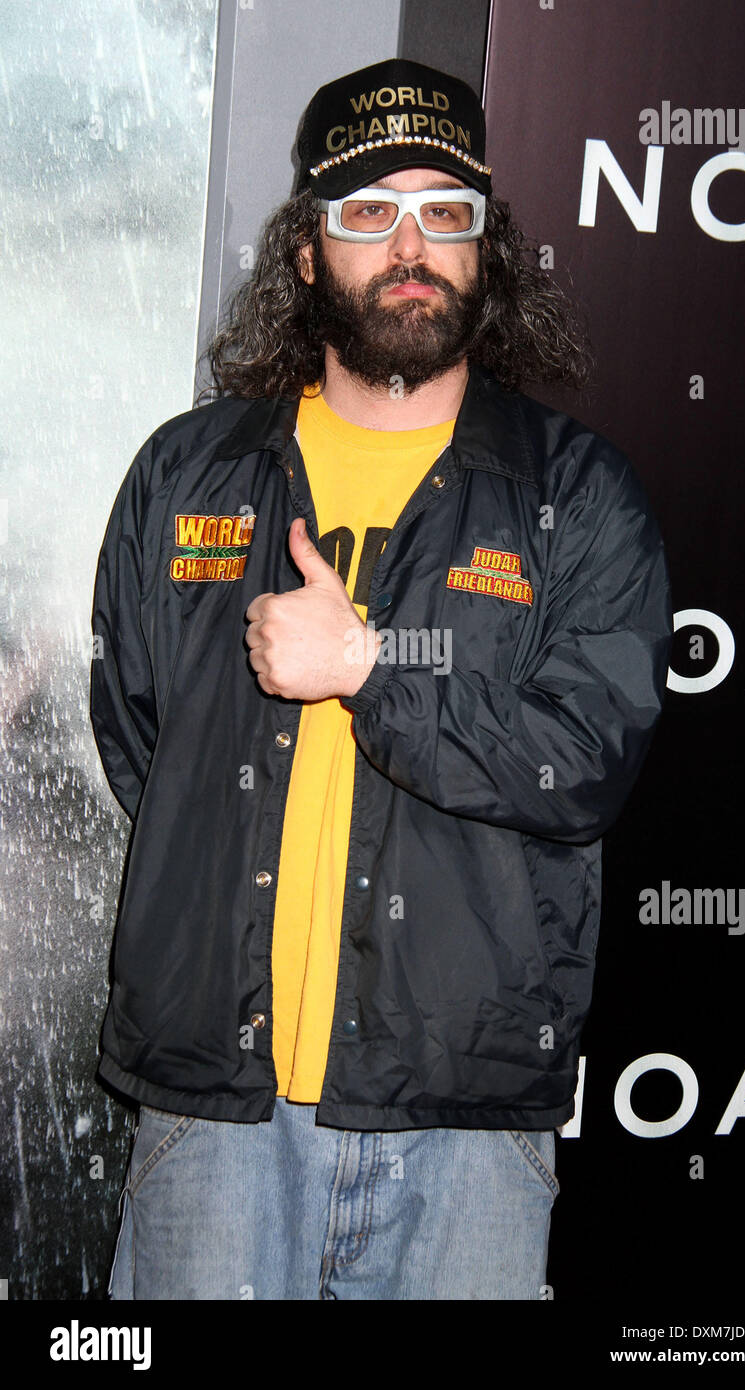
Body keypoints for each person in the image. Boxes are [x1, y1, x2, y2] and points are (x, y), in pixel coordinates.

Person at [91, 58, 672, 1301]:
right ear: (308, 252)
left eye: (444, 213)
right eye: (367, 212)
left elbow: (585, 764)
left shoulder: (580, 496)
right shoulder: (186, 475)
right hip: (215, 1110)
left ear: (487, 248)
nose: (410, 244)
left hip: (464, 1119)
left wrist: (368, 674)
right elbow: (143, 739)